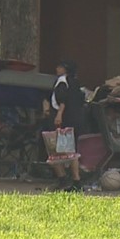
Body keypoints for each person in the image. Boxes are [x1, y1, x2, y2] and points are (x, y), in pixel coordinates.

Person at [48, 60, 85, 192]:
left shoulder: (62, 81)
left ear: (65, 69)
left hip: (64, 119)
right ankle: (76, 181)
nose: (57, 68)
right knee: (71, 151)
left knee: (54, 149)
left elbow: (62, 99)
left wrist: (59, 115)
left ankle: (64, 179)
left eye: (60, 66)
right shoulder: (76, 82)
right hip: (76, 119)